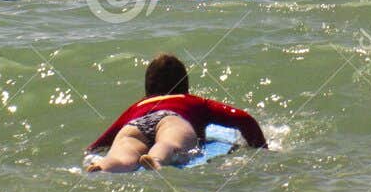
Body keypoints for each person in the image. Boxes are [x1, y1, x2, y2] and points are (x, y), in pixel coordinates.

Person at [85, 52, 268, 172]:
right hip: (171, 120)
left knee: (122, 151)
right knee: (169, 143)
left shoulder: (136, 106)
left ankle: (104, 166)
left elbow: (102, 142)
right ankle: (156, 160)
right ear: (185, 86)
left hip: (134, 126)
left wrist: (92, 150)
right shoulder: (190, 100)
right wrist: (261, 148)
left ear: (148, 89)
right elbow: (244, 119)